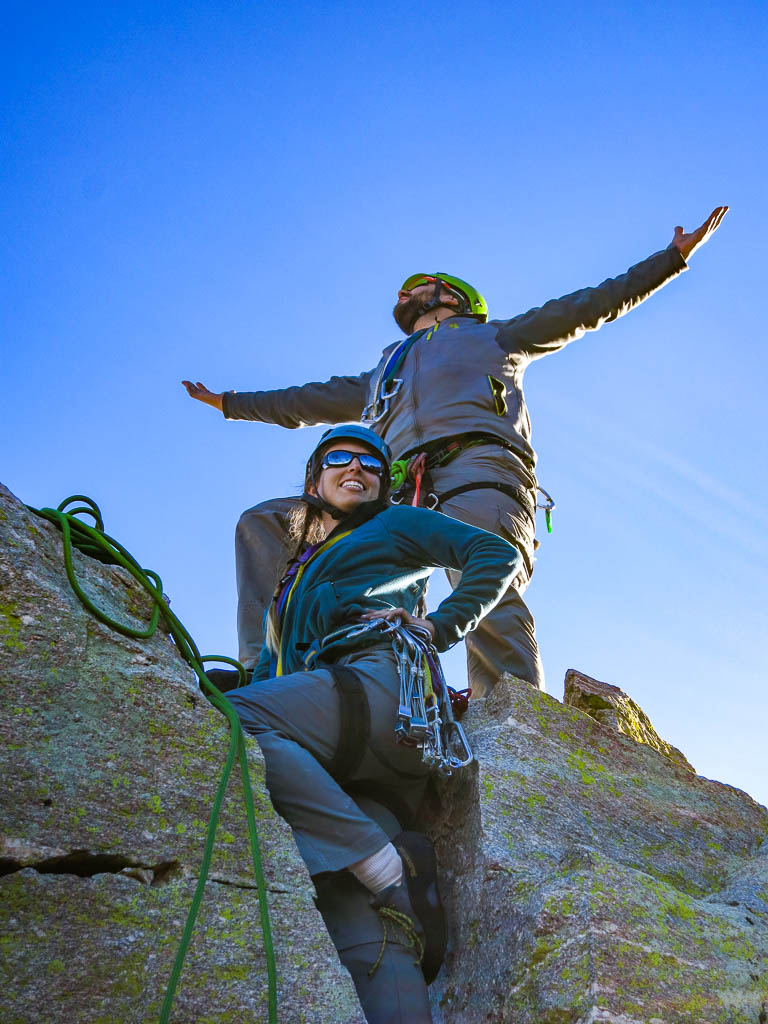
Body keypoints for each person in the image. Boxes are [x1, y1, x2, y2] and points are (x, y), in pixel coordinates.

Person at [184, 206, 728, 696]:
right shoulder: (383, 372)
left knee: (487, 582)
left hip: (478, 471)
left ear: (456, 297)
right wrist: (229, 402)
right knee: (276, 532)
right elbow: (304, 400)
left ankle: (514, 724)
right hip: (391, 491)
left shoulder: (495, 336)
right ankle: (268, 672)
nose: (402, 293)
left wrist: (670, 259)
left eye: (417, 284)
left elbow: (589, 306)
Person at [224, 424, 522, 1023]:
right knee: (356, 910)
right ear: (314, 478)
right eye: (339, 457)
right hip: (350, 751)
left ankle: (376, 857)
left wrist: (439, 625)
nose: (357, 467)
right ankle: (388, 872)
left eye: (371, 463)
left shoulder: (395, 525)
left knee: (235, 722)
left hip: (381, 689)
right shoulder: (298, 571)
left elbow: (497, 553)